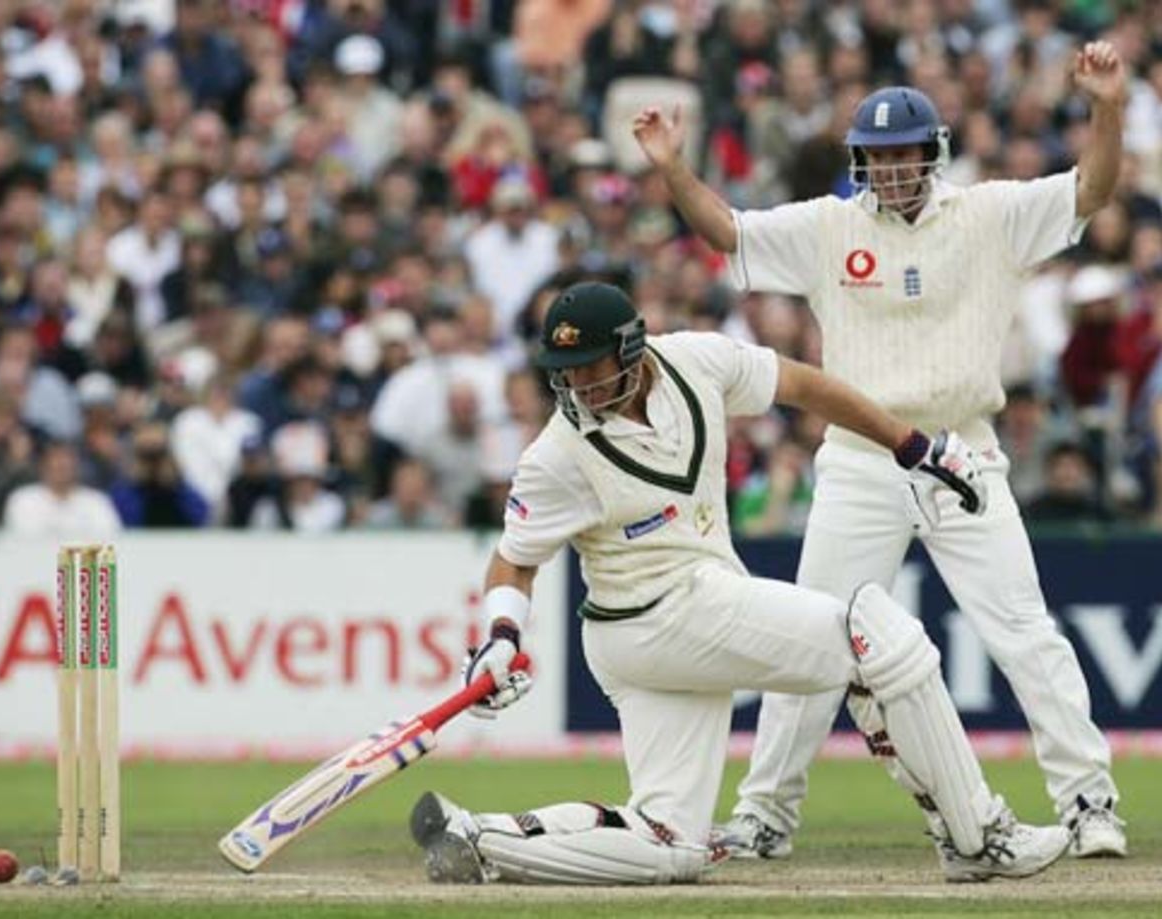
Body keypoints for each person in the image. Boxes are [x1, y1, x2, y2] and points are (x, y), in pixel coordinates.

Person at [631, 40, 1128, 860]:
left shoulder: (991, 214)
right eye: (878, 157)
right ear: (859, 162)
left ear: (932, 155)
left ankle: (1088, 803)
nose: (893, 170)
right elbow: (729, 232)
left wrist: (1107, 107)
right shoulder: (830, 227)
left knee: (1025, 633)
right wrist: (673, 169)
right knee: (810, 638)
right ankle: (765, 814)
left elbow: (1092, 189)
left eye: (905, 155)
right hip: (863, 458)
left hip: (962, 453)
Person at [408, 281, 1070, 886]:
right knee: (876, 633)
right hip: (658, 615)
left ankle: (482, 838)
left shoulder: (697, 361)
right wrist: (500, 635)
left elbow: (805, 385)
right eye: (564, 373)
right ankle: (978, 834)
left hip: (663, 625)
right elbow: (514, 558)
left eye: (590, 367)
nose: (578, 386)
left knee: (672, 843)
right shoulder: (555, 456)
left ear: (631, 351)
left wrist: (911, 445)